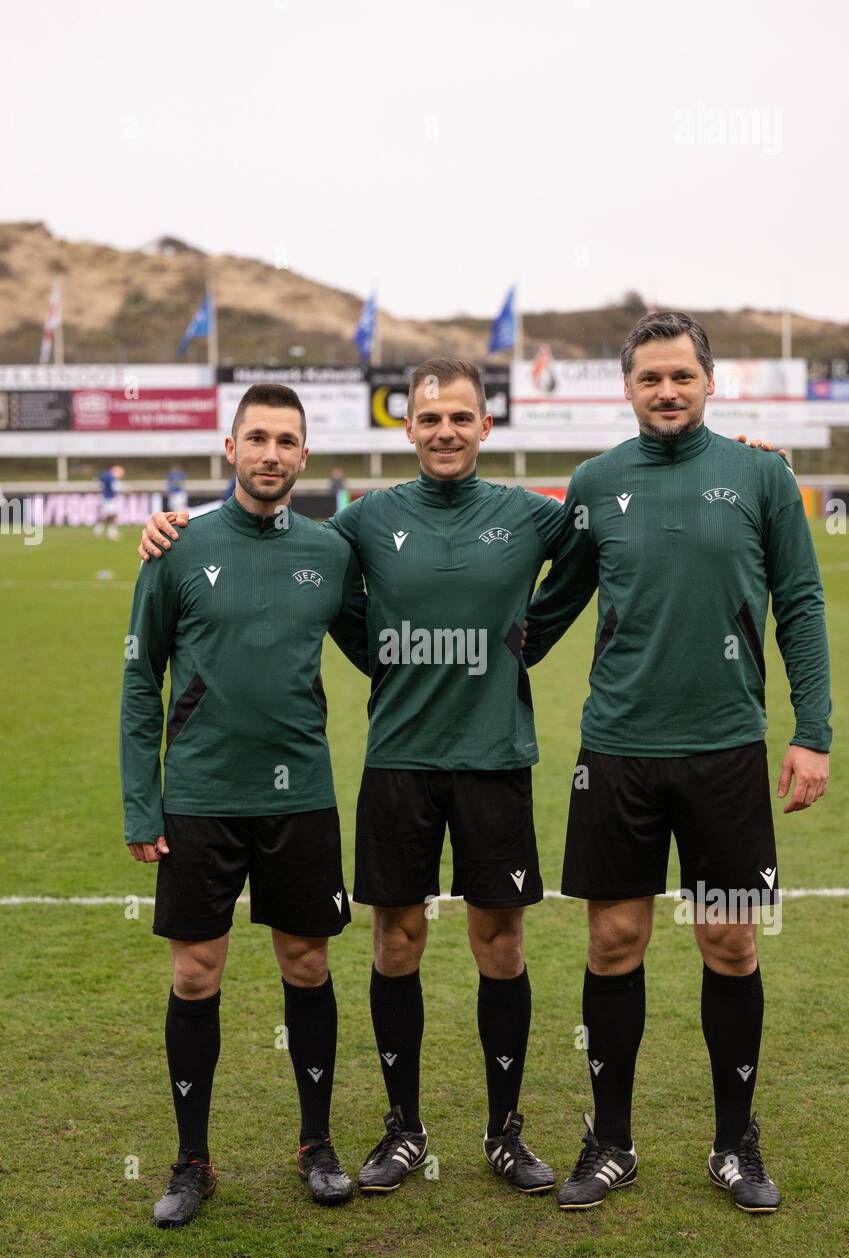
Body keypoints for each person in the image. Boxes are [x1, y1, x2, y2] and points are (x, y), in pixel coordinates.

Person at [140, 358, 567, 1197]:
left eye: (460, 418)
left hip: (496, 764)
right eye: (428, 418)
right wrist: (172, 526)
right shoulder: (359, 524)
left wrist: (525, 640)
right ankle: (402, 1129)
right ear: (406, 428)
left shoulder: (530, 516)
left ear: (486, 427)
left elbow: (603, 546)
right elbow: (292, 571)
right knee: (395, 941)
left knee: (503, 946)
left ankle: (503, 1131)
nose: (444, 431)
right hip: (397, 764)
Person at [523, 311, 831, 1215]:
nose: (666, 391)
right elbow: (548, 609)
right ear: (626, 387)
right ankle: (609, 1141)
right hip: (616, 755)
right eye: (649, 378)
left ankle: (735, 1144)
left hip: (727, 756)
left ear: (709, 382)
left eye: (681, 377)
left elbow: (802, 606)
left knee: (729, 941)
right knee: (614, 942)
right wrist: (447, 651)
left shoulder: (761, 475)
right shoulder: (596, 481)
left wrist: (810, 729)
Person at [121, 384, 368, 1226]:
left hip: (301, 796)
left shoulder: (331, 553)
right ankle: (191, 1161)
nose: (271, 454)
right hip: (199, 798)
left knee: (308, 964)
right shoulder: (178, 546)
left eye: (286, 441)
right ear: (231, 447)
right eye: (256, 438)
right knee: (196, 971)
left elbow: (387, 647)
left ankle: (317, 1144)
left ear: (304, 456)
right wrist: (139, 803)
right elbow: (138, 677)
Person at [95, 463, 124, 539]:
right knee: (112, 515)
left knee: (106, 515)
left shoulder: (104, 476)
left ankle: (99, 530)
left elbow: (97, 482)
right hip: (109, 499)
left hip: (105, 498)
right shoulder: (111, 478)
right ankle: (111, 532)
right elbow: (115, 488)